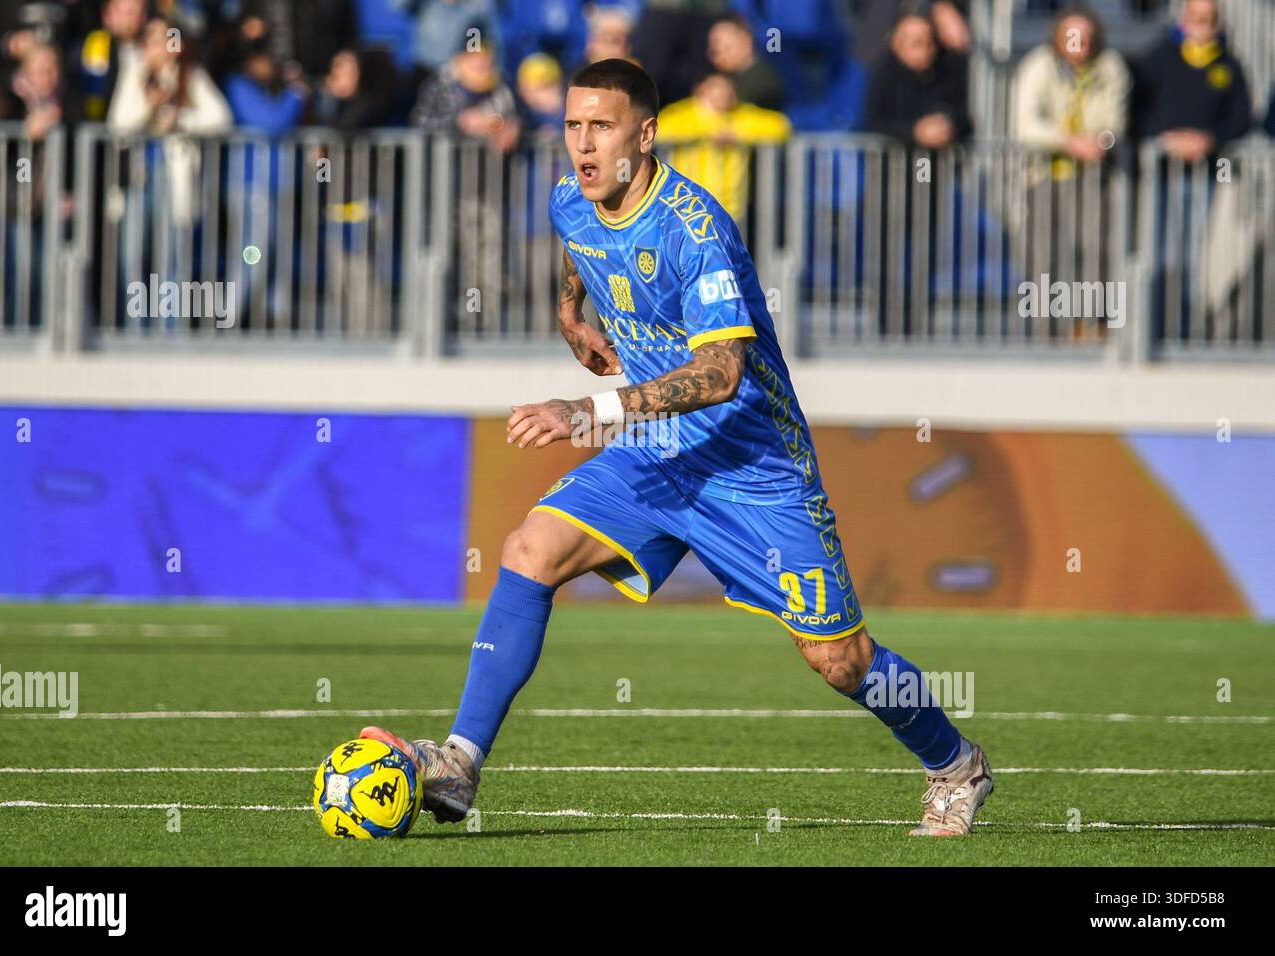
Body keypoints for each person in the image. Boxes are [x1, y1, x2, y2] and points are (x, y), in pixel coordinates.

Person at [361, 58, 995, 838]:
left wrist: (587, 409)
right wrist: (572, 317)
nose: (583, 146)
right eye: (571, 125)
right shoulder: (573, 197)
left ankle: (955, 764)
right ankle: (459, 760)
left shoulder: (695, 229)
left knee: (840, 661)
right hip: (656, 453)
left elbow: (724, 372)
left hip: (753, 469)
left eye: (602, 127)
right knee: (530, 551)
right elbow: (577, 246)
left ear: (646, 133)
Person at [655, 71, 791, 227]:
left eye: (726, 89)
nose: (722, 94)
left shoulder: (740, 114)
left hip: (731, 210)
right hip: (688, 207)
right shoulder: (683, 113)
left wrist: (738, 134)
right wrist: (707, 133)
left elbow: (782, 126)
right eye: (716, 88)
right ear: (700, 91)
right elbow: (660, 128)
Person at [1012, 7, 1130, 175]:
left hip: (1095, 173)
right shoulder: (1039, 65)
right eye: (1072, 35)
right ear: (1058, 37)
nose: (1079, 42)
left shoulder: (1110, 67)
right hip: (1042, 172)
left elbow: (1116, 126)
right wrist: (1067, 142)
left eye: (1086, 37)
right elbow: (1026, 125)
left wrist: (1100, 142)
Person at [1133, 0, 1250, 161]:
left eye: (1211, 18)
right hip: (1163, 166)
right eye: (1197, 17)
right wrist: (1167, 138)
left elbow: (1240, 118)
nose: (1204, 24)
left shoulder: (1230, 65)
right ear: (1184, 19)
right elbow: (1138, 108)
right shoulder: (1158, 58)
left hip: (1212, 167)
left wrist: (1210, 139)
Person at [863, 13, 972, 148]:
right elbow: (874, 123)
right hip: (899, 166)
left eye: (931, 41)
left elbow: (965, 118)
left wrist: (949, 128)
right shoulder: (883, 76)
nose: (926, 49)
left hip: (939, 166)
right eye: (917, 43)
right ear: (897, 44)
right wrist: (914, 132)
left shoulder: (949, 71)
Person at [706, 13, 784, 112]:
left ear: (745, 42)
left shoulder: (764, 83)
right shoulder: (720, 77)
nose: (715, 56)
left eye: (725, 48)